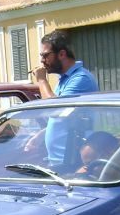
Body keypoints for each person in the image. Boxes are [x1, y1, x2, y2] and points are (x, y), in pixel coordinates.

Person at [32, 29, 100, 165]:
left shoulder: (81, 78)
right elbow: (68, 118)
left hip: (73, 162)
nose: (42, 60)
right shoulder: (64, 80)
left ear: (62, 54)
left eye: (45, 55)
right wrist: (41, 134)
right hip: (59, 161)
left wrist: (41, 80)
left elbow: (55, 109)